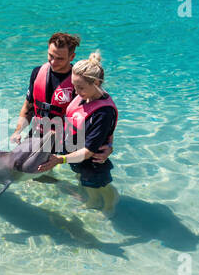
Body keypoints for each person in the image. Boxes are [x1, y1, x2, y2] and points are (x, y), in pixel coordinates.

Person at [10, 32, 111, 163]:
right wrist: (18, 131)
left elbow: (99, 116)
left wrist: (109, 146)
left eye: (60, 59)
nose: (53, 62)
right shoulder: (37, 73)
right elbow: (27, 107)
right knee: (19, 167)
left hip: (66, 141)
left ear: (72, 57)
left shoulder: (79, 83)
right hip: (38, 133)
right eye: (50, 56)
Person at [45, 52, 118, 212]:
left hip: (93, 161)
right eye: (74, 86)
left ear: (97, 83)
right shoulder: (85, 95)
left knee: (99, 186)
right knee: (84, 181)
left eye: (81, 87)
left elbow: (88, 152)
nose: (76, 92)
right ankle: (92, 200)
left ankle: (110, 204)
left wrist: (61, 159)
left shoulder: (103, 113)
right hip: (76, 155)